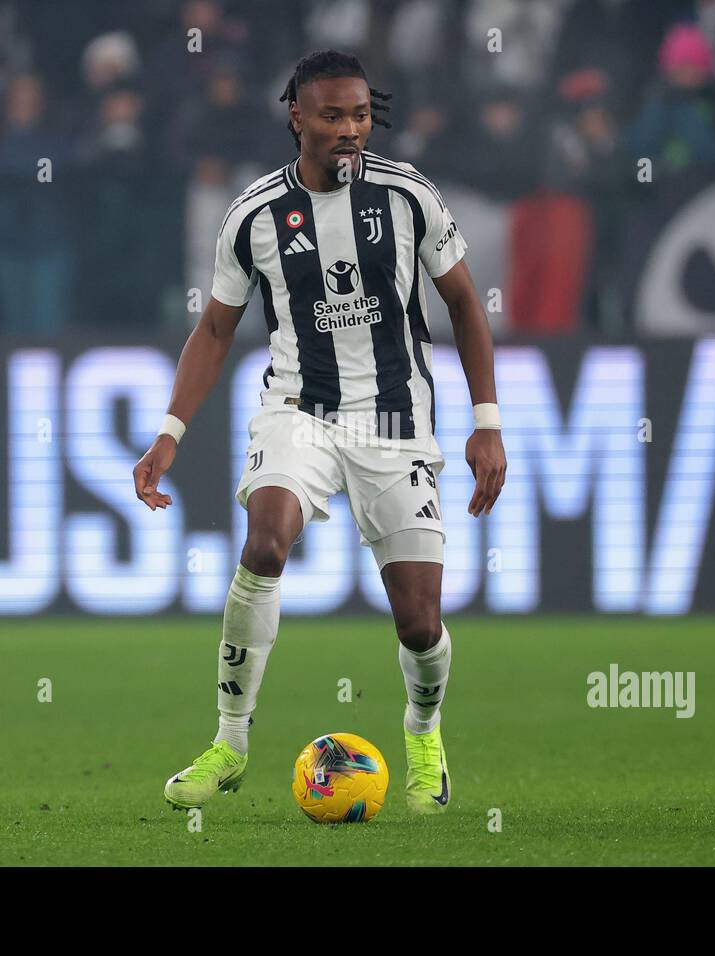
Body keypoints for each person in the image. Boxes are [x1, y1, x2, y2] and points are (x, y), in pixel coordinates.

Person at [133, 49, 506, 815]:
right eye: (333, 116)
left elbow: (466, 304)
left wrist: (486, 424)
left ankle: (424, 735)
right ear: (297, 117)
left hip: (397, 420)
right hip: (299, 410)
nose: (350, 131)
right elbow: (213, 328)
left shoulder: (408, 198)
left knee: (419, 621)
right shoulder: (255, 214)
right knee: (265, 542)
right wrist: (168, 434)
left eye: (361, 116)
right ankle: (230, 743)